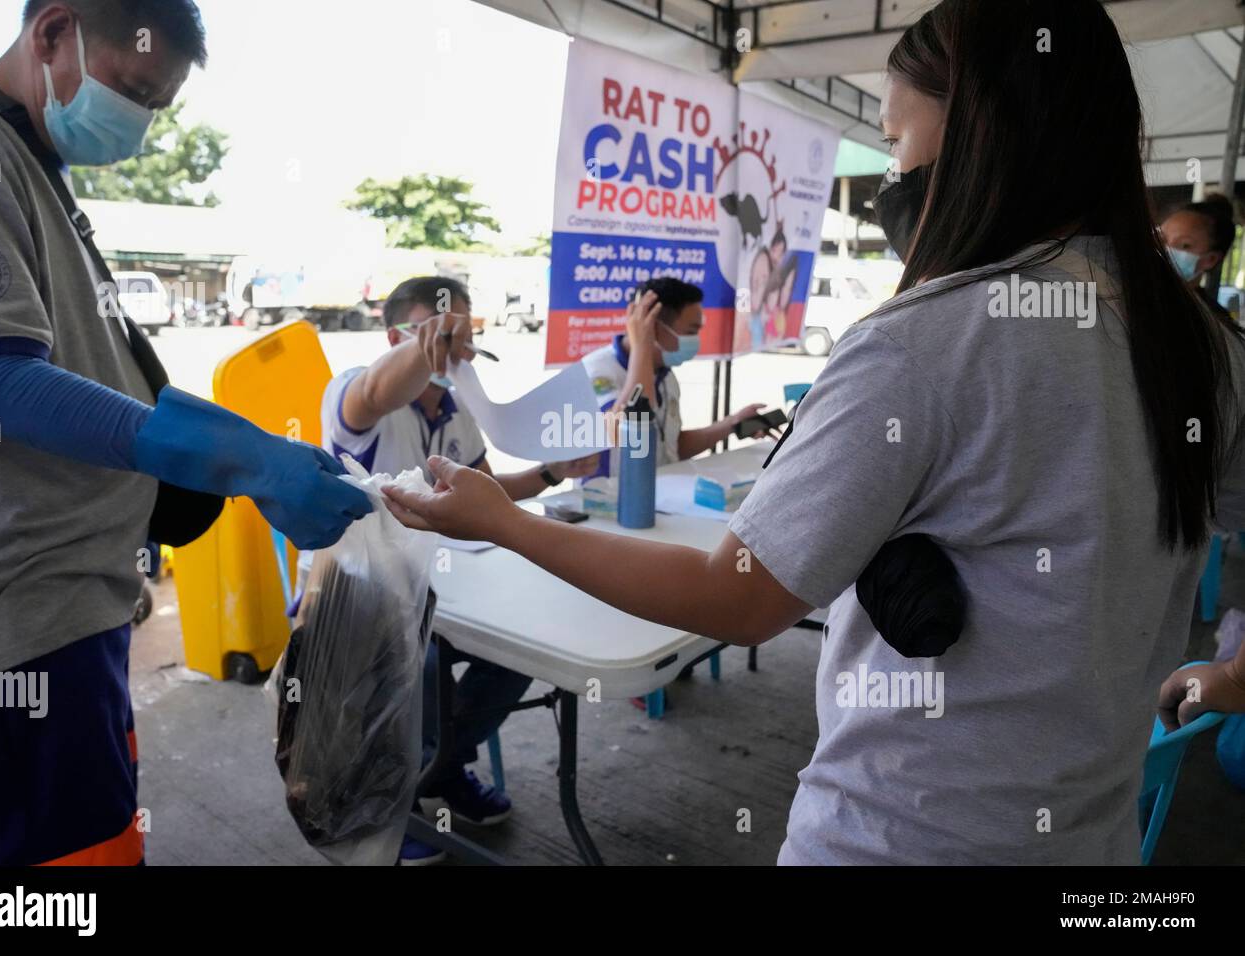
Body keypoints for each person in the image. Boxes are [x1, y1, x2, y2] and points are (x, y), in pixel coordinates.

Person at [382, 0, 1245, 864]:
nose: (892, 183)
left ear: (979, 139)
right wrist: (1229, 675)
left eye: (901, 146)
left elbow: (740, 598)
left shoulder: (924, 344)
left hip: (897, 836)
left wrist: (503, 522)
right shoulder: (1202, 345)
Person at [0, 0, 371, 866]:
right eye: (132, 87)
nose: (138, 122)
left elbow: (100, 370)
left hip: (66, 601)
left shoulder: (31, 160)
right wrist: (242, 459)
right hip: (23, 614)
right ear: (54, 30)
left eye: (159, 105)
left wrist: (248, 447)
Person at [297, 275, 598, 865]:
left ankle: (438, 768)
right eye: (444, 330)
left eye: (465, 332)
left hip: (447, 582)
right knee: (424, 667)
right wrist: (419, 350)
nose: (457, 347)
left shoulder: (458, 408)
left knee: (516, 651)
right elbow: (377, 390)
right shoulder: (355, 395)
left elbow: (484, 488)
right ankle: (391, 799)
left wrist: (551, 473)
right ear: (396, 336)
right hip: (357, 587)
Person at [581, 276, 770, 478]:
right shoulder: (598, 371)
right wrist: (642, 345)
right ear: (652, 325)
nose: (695, 340)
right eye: (690, 331)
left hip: (659, 495)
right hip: (609, 500)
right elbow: (626, 431)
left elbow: (672, 447)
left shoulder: (665, 375)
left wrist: (732, 423)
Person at [1159, 194, 1238, 323]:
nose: (1165, 249)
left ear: (1210, 259)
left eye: (1184, 245)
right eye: (1161, 239)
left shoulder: (1214, 321)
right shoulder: (1130, 292)